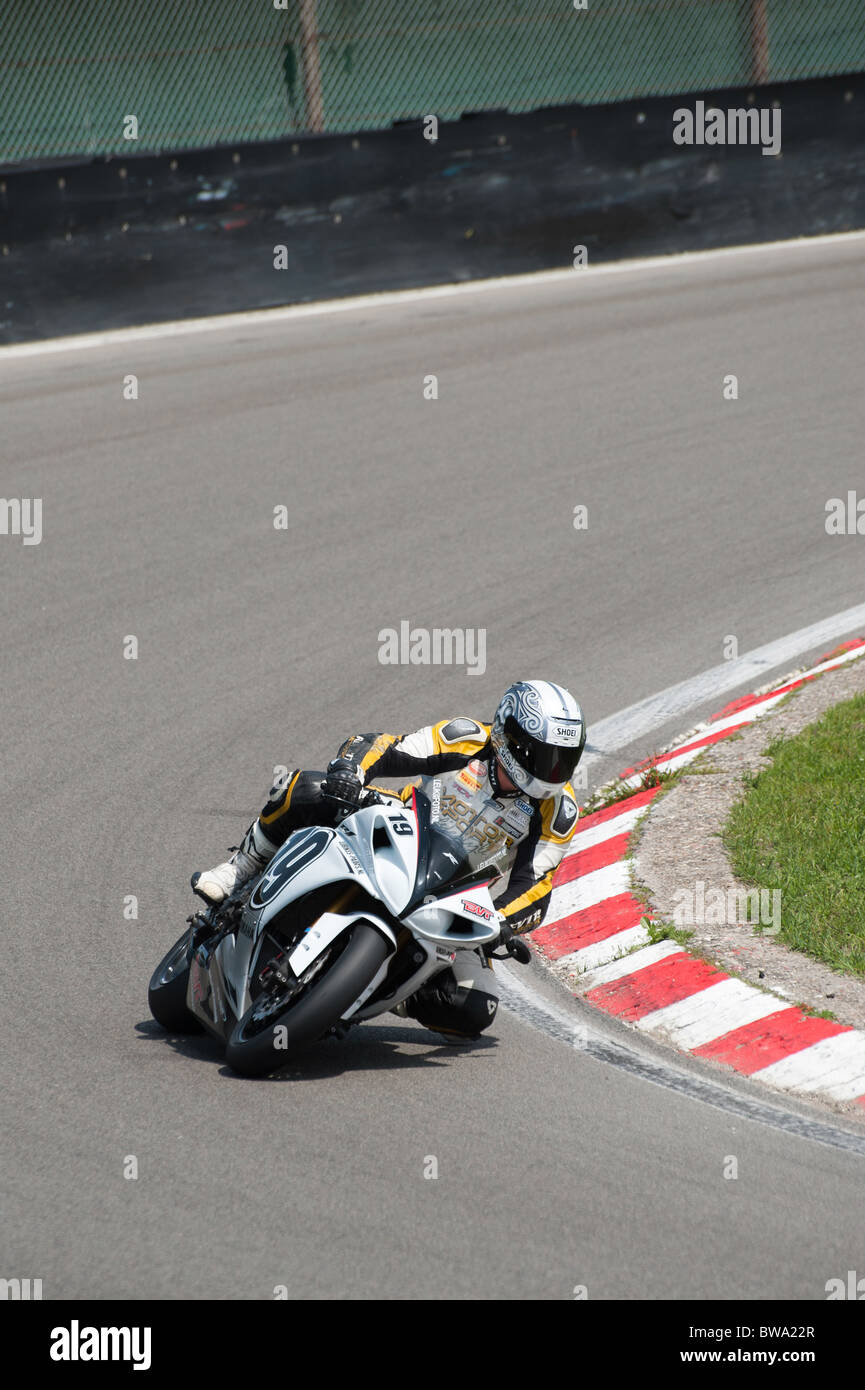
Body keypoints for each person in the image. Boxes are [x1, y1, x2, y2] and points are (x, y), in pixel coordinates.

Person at [192, 680, 586, 1040]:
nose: (553, 770)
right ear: (508, 735)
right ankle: (241, 866)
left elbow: (536, 884)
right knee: (311, 788)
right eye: (544, 756)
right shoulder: (467, 738)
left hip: (454, 894)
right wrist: (351, 771)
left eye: (564, 759)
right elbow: (386, 747)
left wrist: (501, 922)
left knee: (476, 1006)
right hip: (402, 828)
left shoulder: (559, 810)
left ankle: (389, 989)